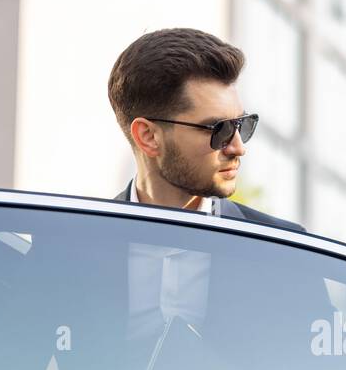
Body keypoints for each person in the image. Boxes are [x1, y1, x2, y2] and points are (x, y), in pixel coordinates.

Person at [107, 26, 303, 232]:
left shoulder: (282, 249)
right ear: (148, 136)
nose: (238, 148)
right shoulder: (80, 243)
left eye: (241, 124)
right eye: (219, 129)